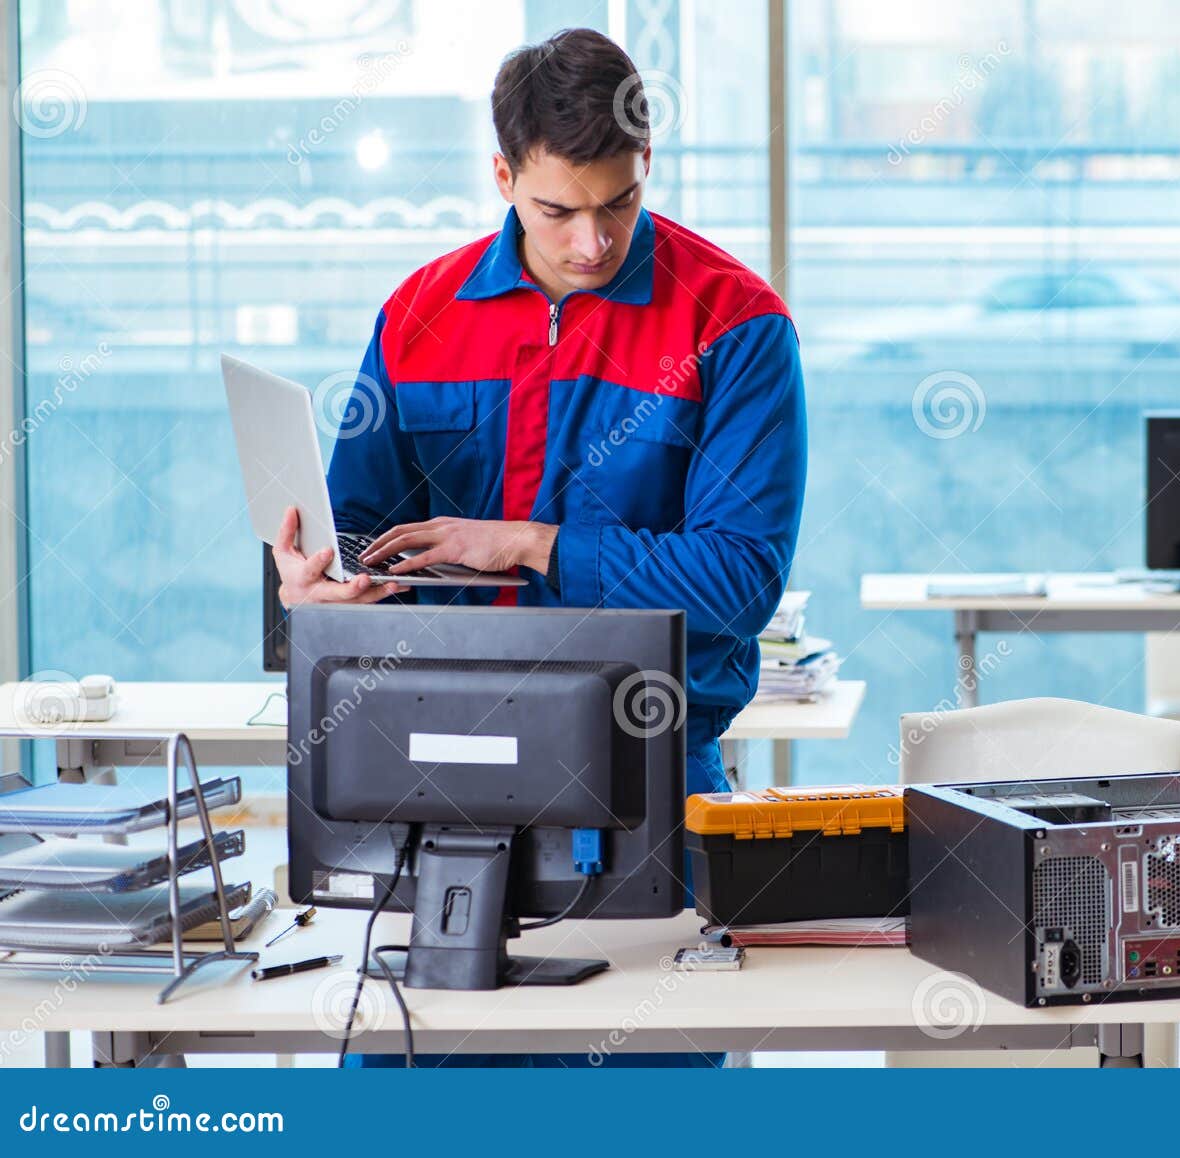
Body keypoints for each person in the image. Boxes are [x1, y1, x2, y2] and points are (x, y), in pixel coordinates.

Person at [272, 27, 807, 1068]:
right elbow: (349, 533)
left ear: (646, 164)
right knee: (406, 1095)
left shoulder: (735, 326)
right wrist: (311, 583)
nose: (593, 242)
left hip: (649, 772)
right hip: (427, 772)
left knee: (635, 1098)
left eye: (619, 204)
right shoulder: (417, 317)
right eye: (557, 210)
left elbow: (737, 582)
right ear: (503, 174)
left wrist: (526, 544)